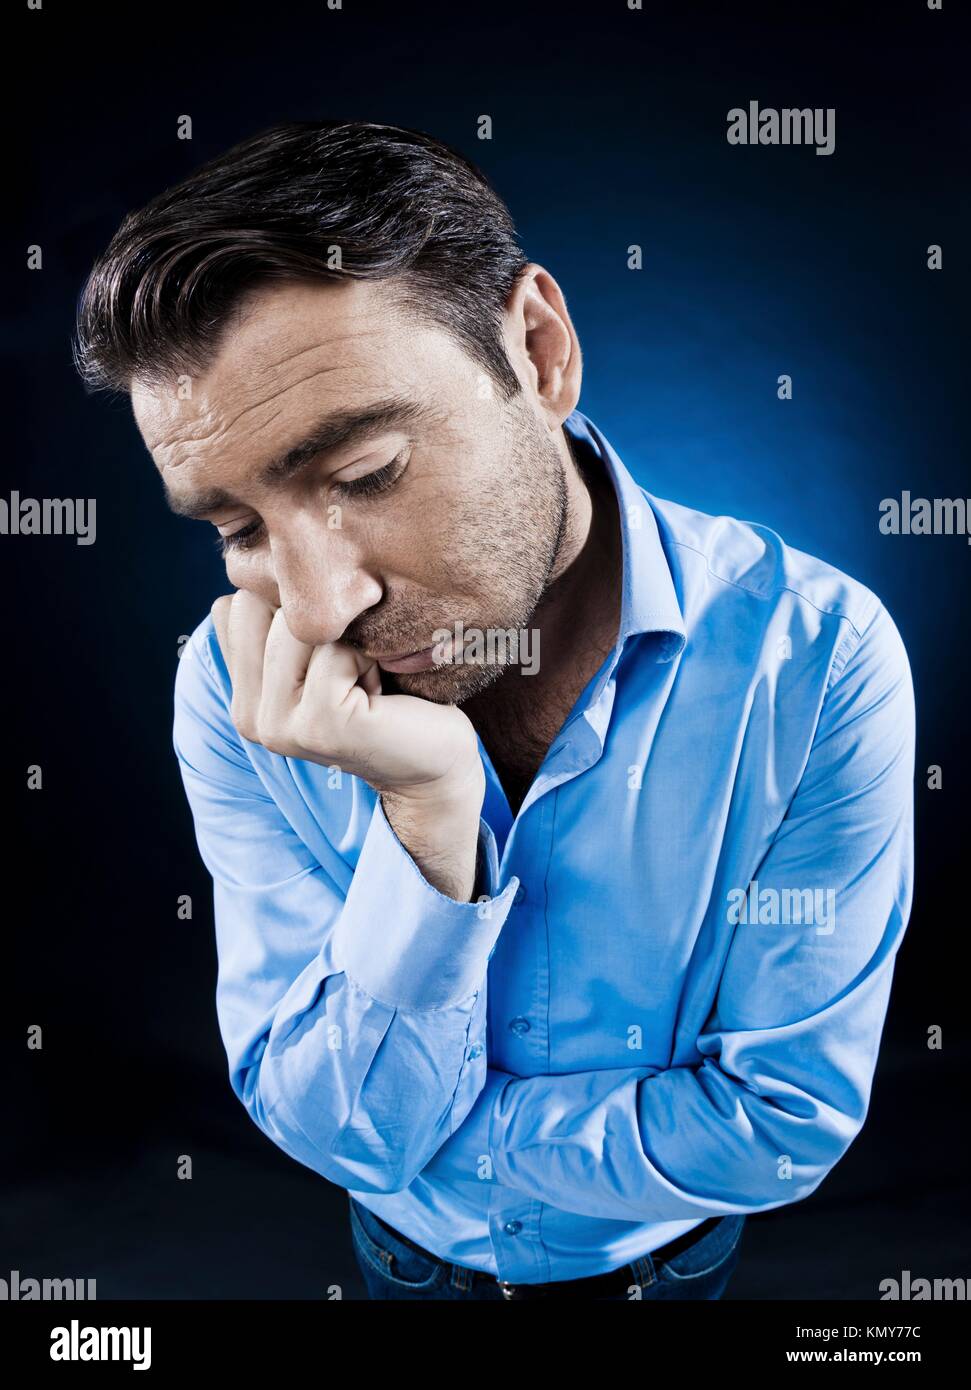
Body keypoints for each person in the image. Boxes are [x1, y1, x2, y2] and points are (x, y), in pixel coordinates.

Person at [73, 120, 915, 1301]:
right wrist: (425, 829)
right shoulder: (229, 687)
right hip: (396, 1270)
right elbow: (297, 1102)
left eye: (365, 473)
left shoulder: (817, 661)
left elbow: (778, 1121)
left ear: (536, 347)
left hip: (661, 1275)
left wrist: (430, 1142)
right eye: (238, 530)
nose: (321, 603)